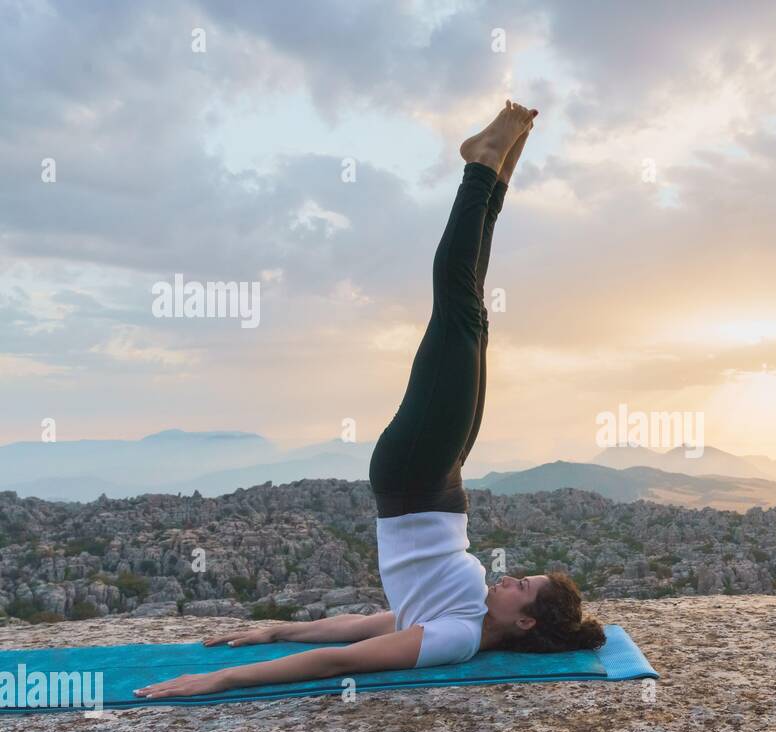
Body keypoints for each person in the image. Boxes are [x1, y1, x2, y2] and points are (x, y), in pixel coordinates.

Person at [136, 103, 605, 701]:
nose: (511, 576)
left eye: (523, 587)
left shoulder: (455, 636)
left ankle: (482, 167)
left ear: (525, 622)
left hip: (414, 479)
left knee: (457, 310)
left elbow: (344, 659)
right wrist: (281, 629)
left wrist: (223, 678)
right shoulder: (455, 610)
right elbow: (361, 625)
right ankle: (498, 175)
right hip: (438, 482)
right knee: (474, 320)